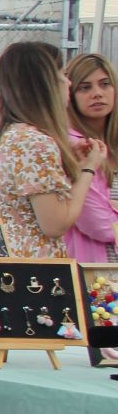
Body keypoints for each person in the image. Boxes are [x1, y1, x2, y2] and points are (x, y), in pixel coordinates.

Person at [0, 42, 105, 259]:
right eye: (61, 74)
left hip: (10, 265)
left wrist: (68, 167)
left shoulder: (12, 134)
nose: (68, 82)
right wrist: (87, 170)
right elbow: (55, 223)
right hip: (33, 275)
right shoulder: (35, 142)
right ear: (45, 84)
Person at [64, 51, 118, 262]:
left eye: (104, 84)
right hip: (96, 274)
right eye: (85, 88)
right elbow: (98, 224)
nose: (97, 93)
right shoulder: (74, 146)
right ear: (70, 94)